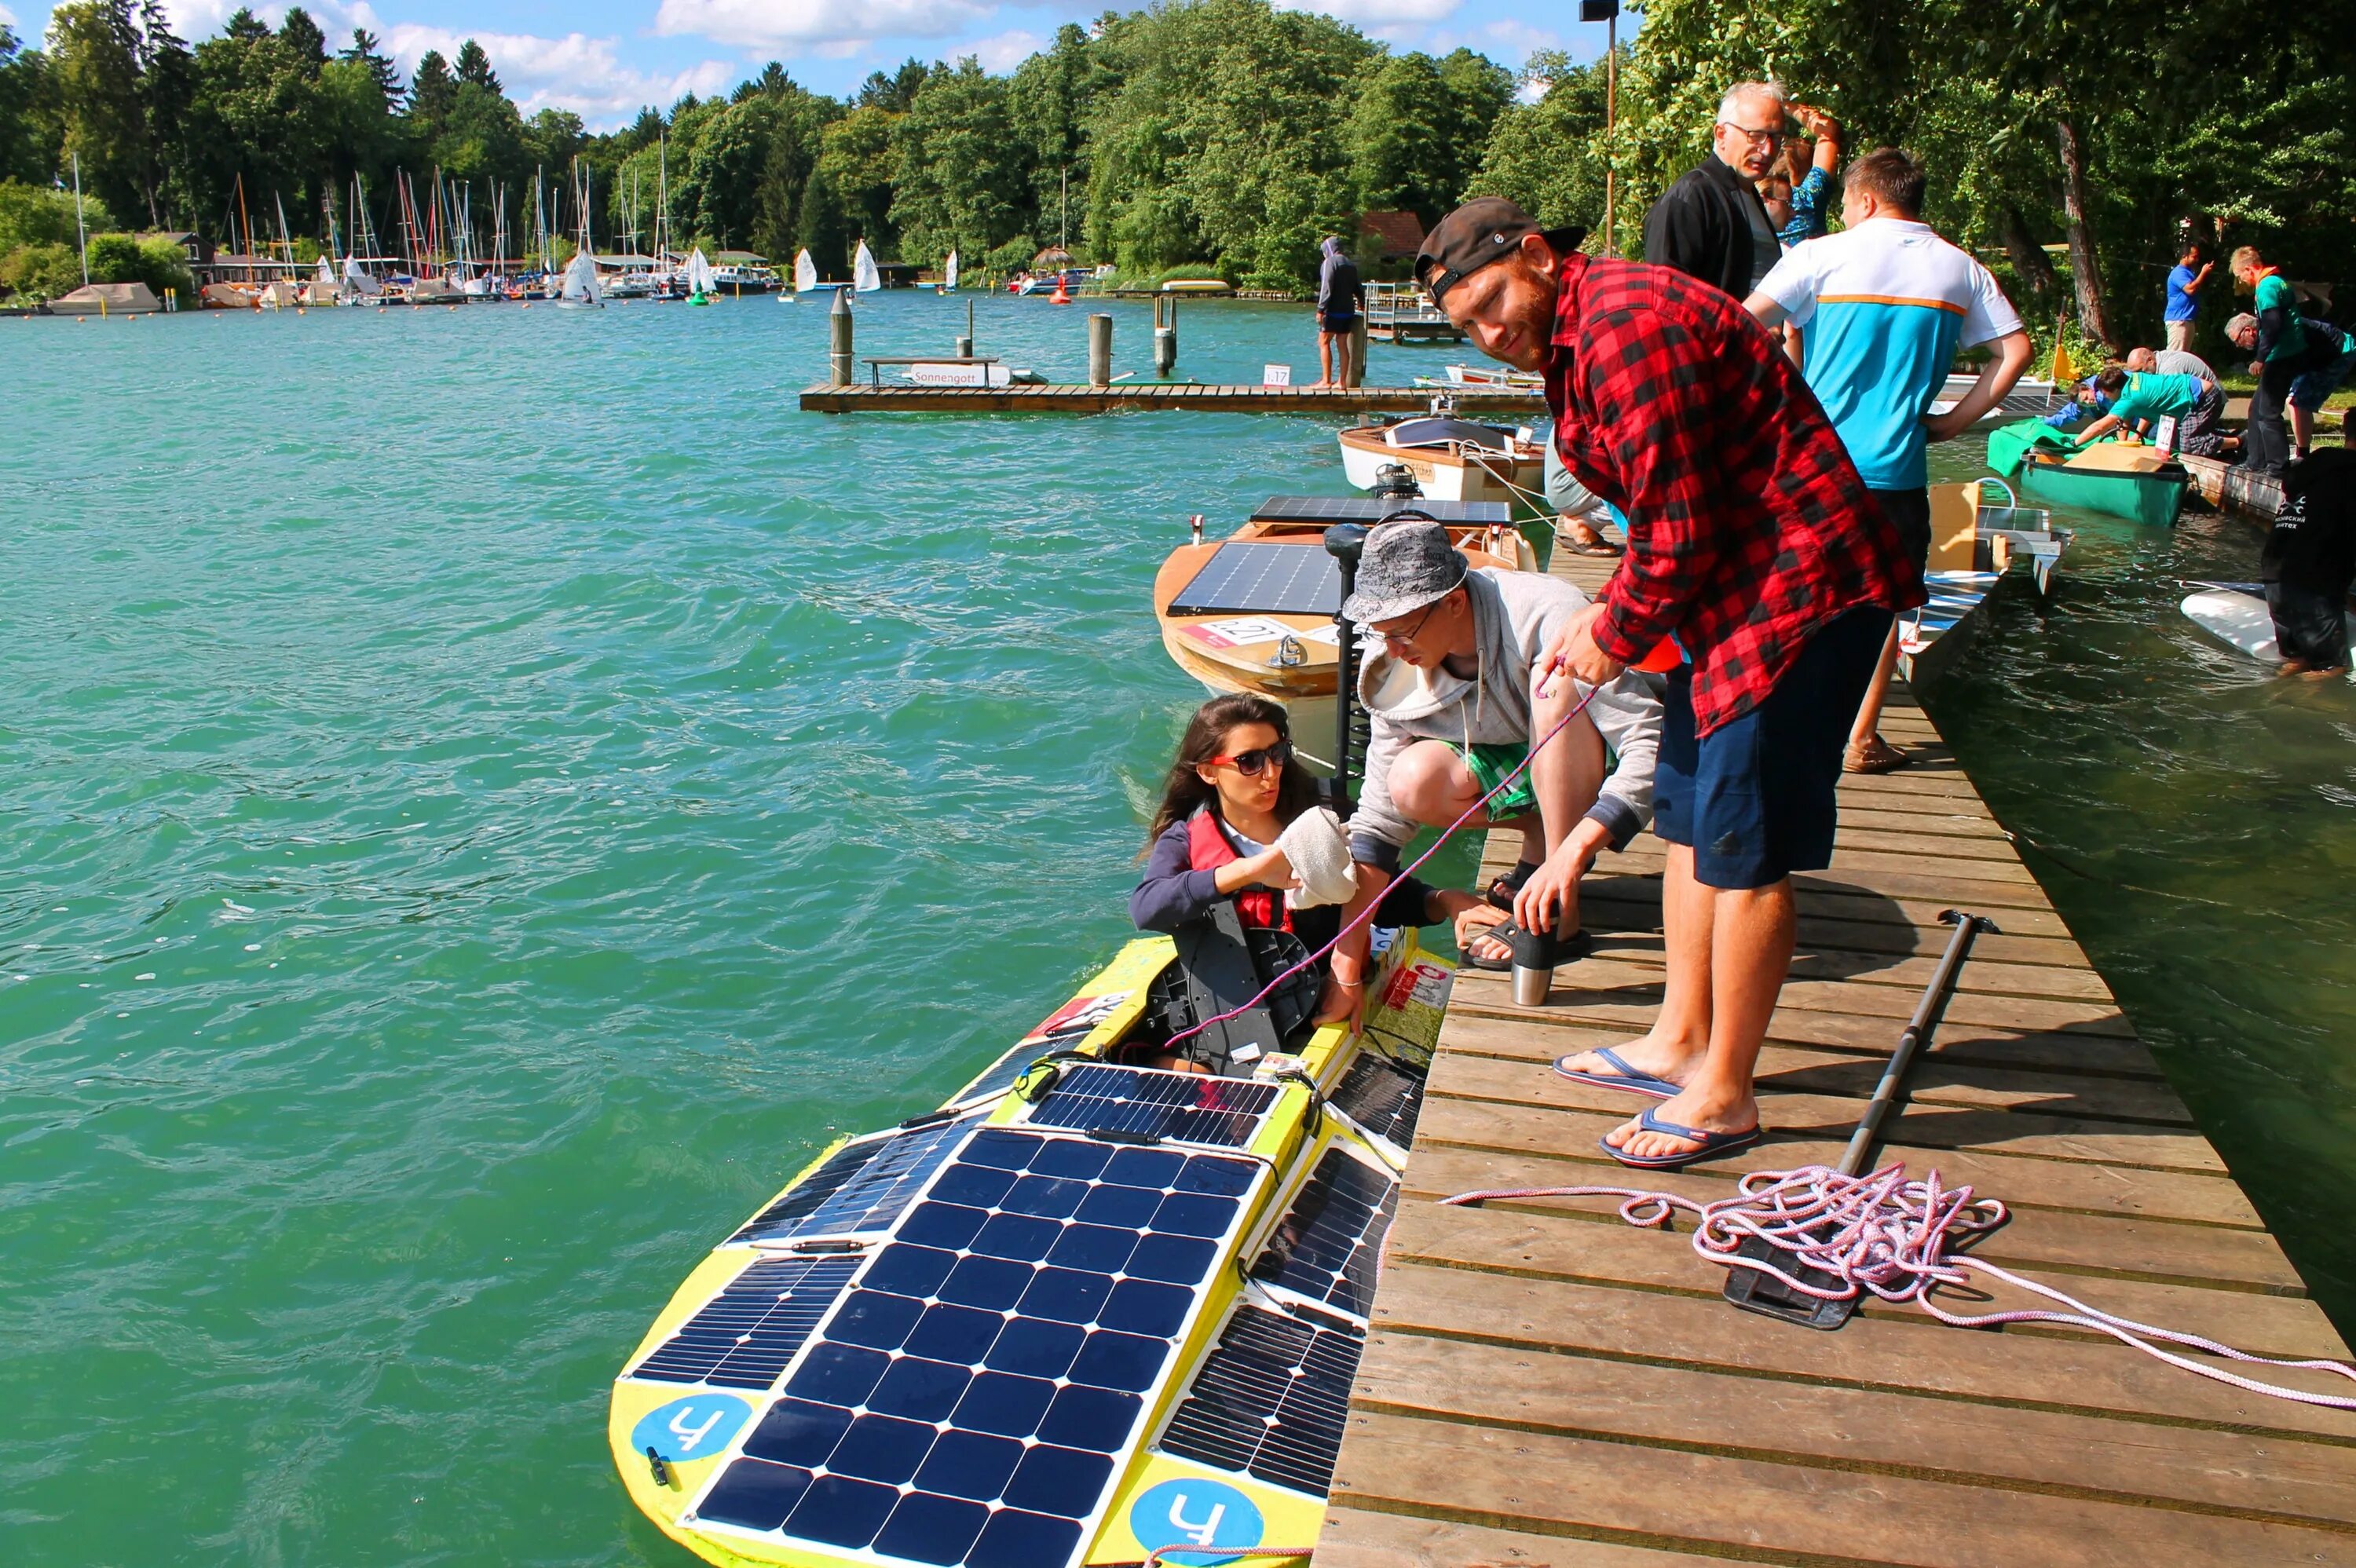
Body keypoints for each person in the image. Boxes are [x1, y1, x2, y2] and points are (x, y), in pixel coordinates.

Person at [1418, 196, 1921, 1169]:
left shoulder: (1623, 327)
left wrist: (1616, 631)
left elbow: (1678, 524)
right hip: (1727, 603)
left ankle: (1727, 1091)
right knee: (1693, 817)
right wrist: (1621, 617)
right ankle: (1678, 1038)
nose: (1489, 335)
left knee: (1748, 847)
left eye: (1491, 304)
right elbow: (1668, 511)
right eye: (1467, 327)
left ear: (1535, 255)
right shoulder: (1575, 334)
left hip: (1799, 598)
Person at [1744, 148, 2032, 774]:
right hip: (1897, 474)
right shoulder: (1961, 269)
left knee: (1791, 594)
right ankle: (1863, 736)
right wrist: (1952, 424)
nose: (1843, 214)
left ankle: (1773, 719)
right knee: (1885, 606)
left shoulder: (1819, 256)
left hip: (1813, 471)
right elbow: (2015, 351)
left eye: (1845, 204)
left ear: (1866, 199)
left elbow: (1739, 328)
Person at [1334, 517, 1663, 976]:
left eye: (1402, 634)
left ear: (1453, 602)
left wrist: (1573, 854)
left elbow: (1649, 740)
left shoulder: (1548, 613)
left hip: (1598, 752)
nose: (1392, 651)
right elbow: (1379, 823)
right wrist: (1345, 968)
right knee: (1410, 782)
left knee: (1555, 687)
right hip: (1529, 765)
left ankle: (1559, 912)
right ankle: (1541, 837)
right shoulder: (1394, 665)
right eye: (1380, 633)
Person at [1132, 694, 1491, 1022]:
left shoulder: (1322, 825)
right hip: (1233, 1013)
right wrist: (1246, 871)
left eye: (1277, 754)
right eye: (1249, 762)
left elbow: (1382, 892)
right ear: (1209, 772)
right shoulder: (1185, 840)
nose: (1270, 773)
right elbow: (1147, 908)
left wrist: (1444, 901)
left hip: (1321, 1003)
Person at [1644, 82, 1789, 300]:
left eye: (1776, 138)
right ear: (1721, 134)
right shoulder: (1690, 197)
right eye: (1756, 136)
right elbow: (1665, 301)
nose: (1768, 150)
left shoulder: (1748, 196)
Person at [2259, 441, 2356, 674]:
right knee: (2331, 670)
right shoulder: (2351, 475)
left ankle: (2272, 697)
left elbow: (2315, 531)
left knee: (2299, 661)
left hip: (2275, 576)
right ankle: (2270, 703)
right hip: (2311, 586)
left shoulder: (2315, 468)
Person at [2230, 245, 2323, 473]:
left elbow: (2272, 324)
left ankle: (2277, 466)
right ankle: (2255, 461)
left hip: (2283, 354)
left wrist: (2260, 358)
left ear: (2249, 269)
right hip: (2283, 353)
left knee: (2268, 412)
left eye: (2240, 275)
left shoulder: (2268, 286)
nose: (2241, 280)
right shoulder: (2274, 282)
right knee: (2256, 409)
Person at [2069, 365, 2229, 455]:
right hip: (2192, 395)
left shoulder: (2129, 398)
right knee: (2171, 446)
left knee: (2188, 446)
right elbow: (2133, 414)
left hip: (2203, 398)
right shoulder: (2132, 378)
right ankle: (2221, 441)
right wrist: (2124, 442)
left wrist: (2074, 443)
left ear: (2116, 389)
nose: (2103, 396)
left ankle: (2238, 442)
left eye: (2105, 393)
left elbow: (2100, 426)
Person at [1314, 236, 1363, 388]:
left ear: (1328, 249)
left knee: (1323, 342)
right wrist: (1362, 302)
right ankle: (1342, 382)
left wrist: (1321, 309)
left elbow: (1326, 287)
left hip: (1332, 311)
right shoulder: (1350, 264)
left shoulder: (1330, 262)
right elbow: (1358, 287)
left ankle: (1326, 381)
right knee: (1342, 345)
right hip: (1347, 311)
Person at [2163, 242, 2211, 353]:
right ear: (2184, 257)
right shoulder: (2179, 272)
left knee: (2183, 357)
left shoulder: (2188, 272)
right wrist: (2203, 273)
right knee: (2174, 356)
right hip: (2178, 320)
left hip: (2187, 319)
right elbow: (2190, 289)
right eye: (2194, 257)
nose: (2197, 259)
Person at [2127, 343, 2218, 382]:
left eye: (2140, 371)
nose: (2138, 376)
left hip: (2209, 402)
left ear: (2150, 361)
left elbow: (2173, 401)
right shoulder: (2159, 358)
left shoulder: (2169, 369)